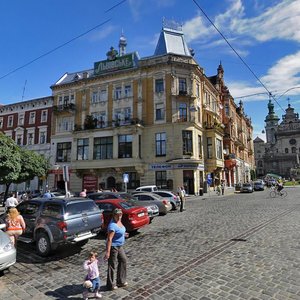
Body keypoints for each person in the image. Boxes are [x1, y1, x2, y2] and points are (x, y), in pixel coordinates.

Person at [104, 208, 128, 291]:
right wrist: (108, 252)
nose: (119, 216)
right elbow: (109, 239)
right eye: (117, 215)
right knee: (112, 265)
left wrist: (123, 234)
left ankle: (120, 281)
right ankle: (110, 285)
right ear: (114, 215)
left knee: (123, 260)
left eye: (120, 214)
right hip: (113, 247)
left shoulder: (119, 221)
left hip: (120, 246)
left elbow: (119, 230)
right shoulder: (112, 225)